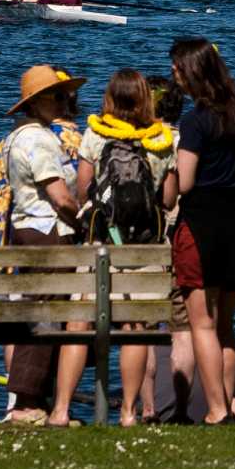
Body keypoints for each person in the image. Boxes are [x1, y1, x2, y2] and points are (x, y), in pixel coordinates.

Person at [78, 69, 179, 424]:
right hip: (144, 249)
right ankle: (127, 412)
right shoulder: (160, 140)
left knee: (80, 324)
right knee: (136, 330)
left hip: (101, 244)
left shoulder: (94, 134)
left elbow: (82, 189)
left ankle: (60, 409)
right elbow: (168, 200)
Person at [171, 36, 235, 425]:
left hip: (202, 226)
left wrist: (168, 178)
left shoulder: (194, 120)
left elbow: (185, 182)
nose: (174, 76)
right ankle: (227, 406)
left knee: (202, 324)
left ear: (192, 73)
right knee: (226, 326)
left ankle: (216, 409)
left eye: (177, 69)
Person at [0, 65, 89, 426]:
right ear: (35, 103)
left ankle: (37, 400)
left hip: (33, 229)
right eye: (55, 96)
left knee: (45, 312)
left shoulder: (28, 134)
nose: (63, 101)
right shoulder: (35, 139)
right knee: (47, 314)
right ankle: (25, 403)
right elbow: (59, 196)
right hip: (46, 231)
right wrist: (83, 221)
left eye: (63, 95)